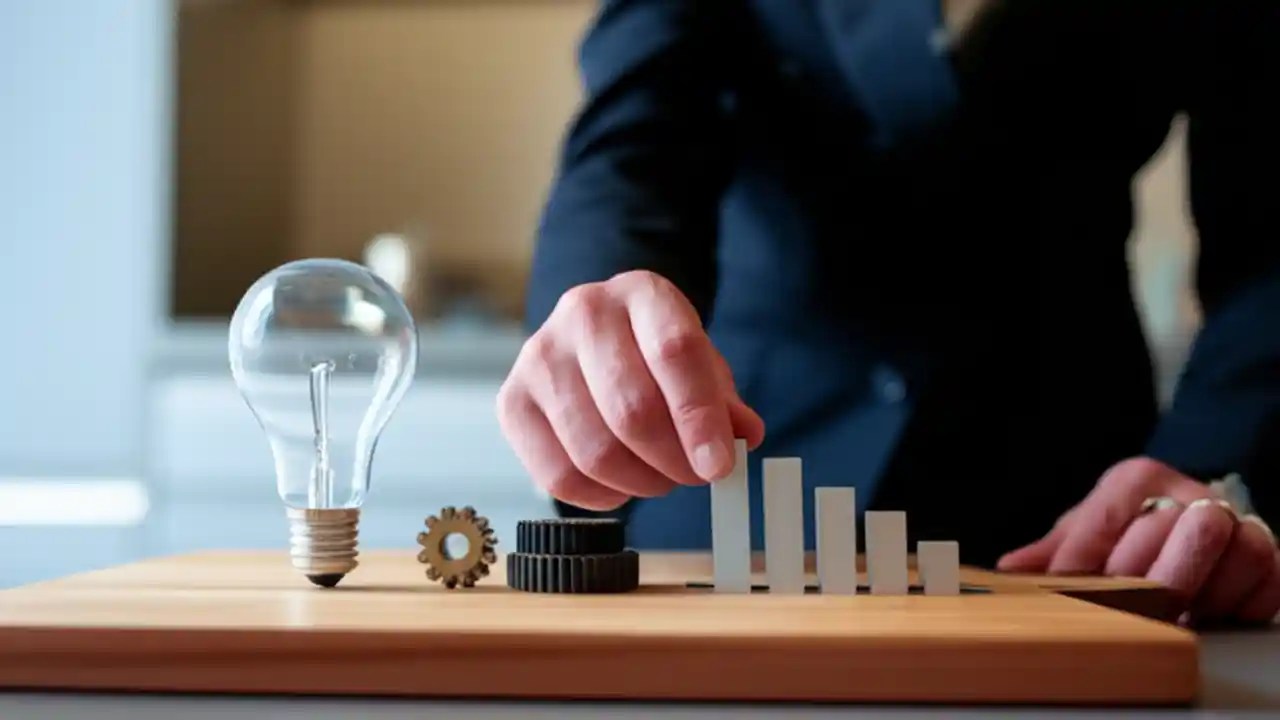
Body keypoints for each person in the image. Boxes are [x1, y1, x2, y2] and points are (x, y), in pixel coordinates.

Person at [495, 0, 1280, 626]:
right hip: (734, 486)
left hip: (1073, 509)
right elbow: (632, 143)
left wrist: (1216, 460)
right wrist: (600, 296)